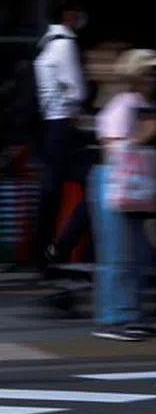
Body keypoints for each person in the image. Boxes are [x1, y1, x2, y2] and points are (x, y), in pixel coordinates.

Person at [88, 49, 156, 342]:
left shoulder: (141, 103)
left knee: (134, 252)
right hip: (115, 180)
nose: (153, 78)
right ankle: (117, 317)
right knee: (119, 253)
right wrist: (145, 134)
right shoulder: (125, 103)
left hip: (128, 183)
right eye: (149, 72)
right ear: (136, 75)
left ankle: (130, 313)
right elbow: (113, 147)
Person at [35, 0, 91, 271]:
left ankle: (45, 253)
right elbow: (76, 91)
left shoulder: (46, 42)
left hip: (51, 127)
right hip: (65, 127)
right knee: (96, 187)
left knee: (51, 194)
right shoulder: (64, 44)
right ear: (68, 13)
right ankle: (62, 249)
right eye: (77, 10)